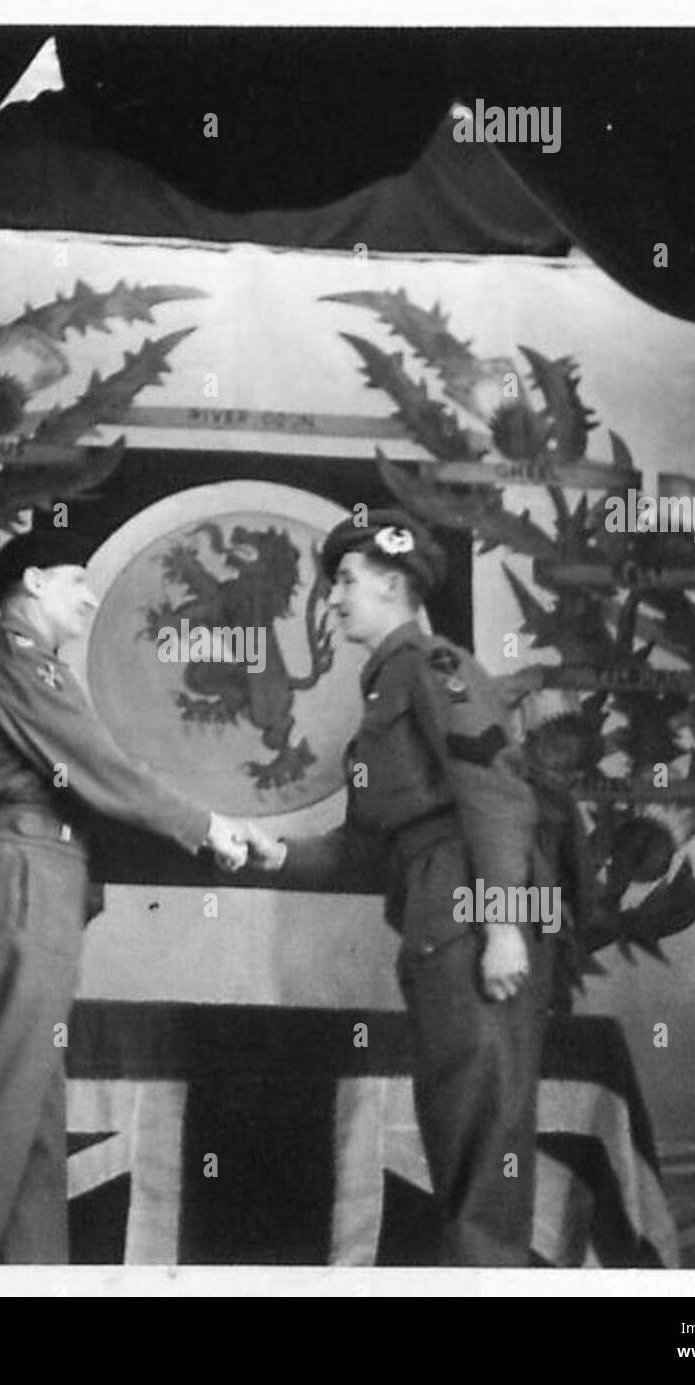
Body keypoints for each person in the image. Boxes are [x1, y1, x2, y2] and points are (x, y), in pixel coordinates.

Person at [0, 527, 249, 1264]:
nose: (89, 596)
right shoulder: (16, 668)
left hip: (30, 879)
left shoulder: (23, 669)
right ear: (32, 585)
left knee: (31, 1120)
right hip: (22, 884)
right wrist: (207, 826)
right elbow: (101, 769)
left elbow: (92, 780)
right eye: (74, 581)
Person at [238, 509, 554, 1266]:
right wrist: (272, 856)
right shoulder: (383, 697)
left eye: (345, 581)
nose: (334, 598)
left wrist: (505, 926)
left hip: (474, 914)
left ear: (391, 583)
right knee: (458, 1130)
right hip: (434, 917)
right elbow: (360, 853)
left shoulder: (431, 663)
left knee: (483, 1142)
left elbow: (496, 792)